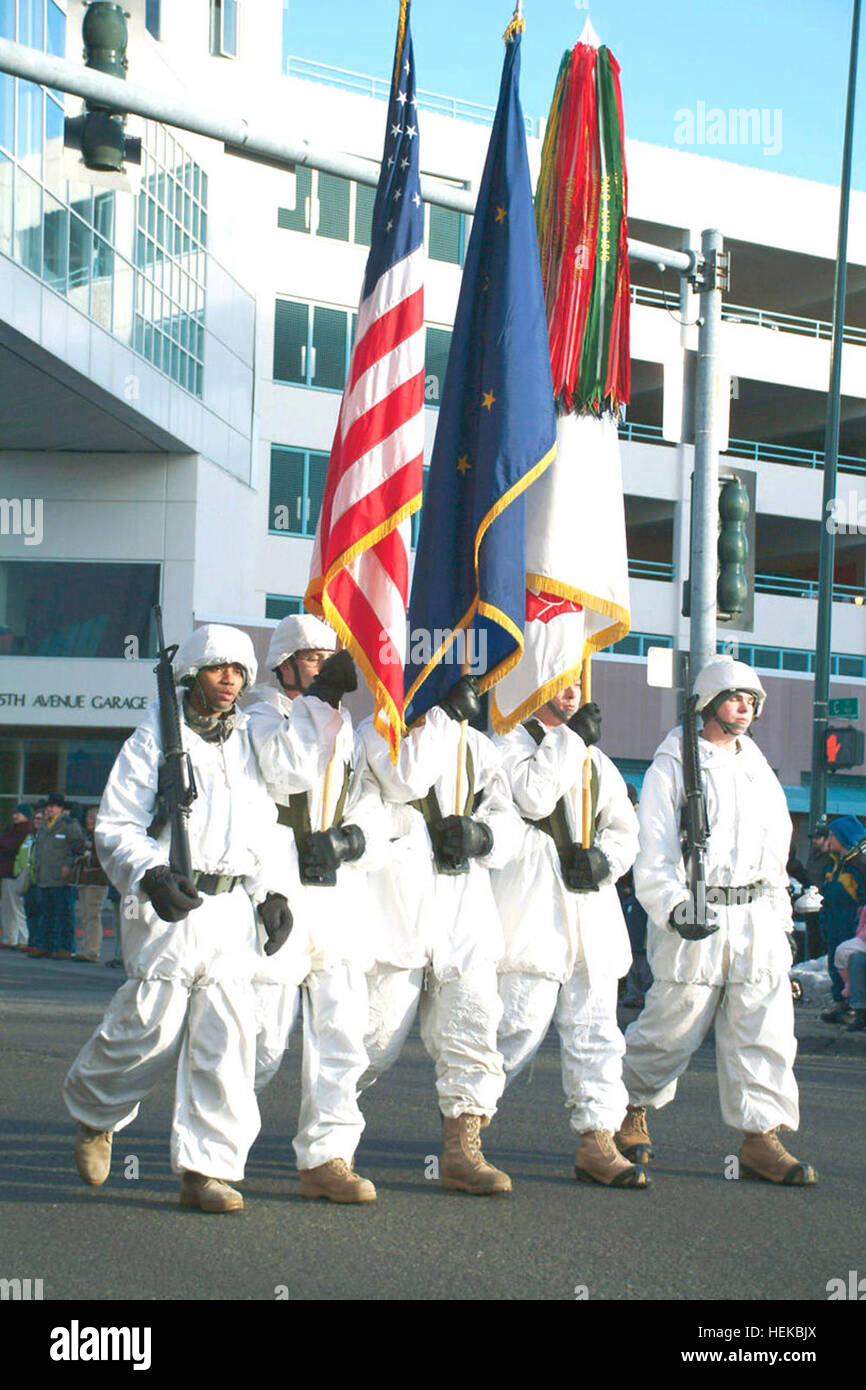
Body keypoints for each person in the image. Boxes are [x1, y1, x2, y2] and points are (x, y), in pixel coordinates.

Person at [63, 624, 291, 1213]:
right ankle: (96, 1115)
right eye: (218, 669)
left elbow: (263, 829)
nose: (229, 681)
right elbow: (115, 826)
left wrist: (271, 895)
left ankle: (206, 1170)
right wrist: (153, 874)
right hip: (172, 904)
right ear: (191, 674)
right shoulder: (152, 740)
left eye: (238, 671)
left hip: (230, 911)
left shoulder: (248, 743)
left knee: (226, 1042)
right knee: (149, 1029)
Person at [615, 656, 817, 1186]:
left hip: (756, 921)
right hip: (696, 917)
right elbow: (654, 851)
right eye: (735, 697)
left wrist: (780, 921)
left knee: (764, 1031)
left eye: (752, 700)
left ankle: (761, 1135)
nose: (746, 707)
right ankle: (627, 1107)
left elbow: (776, 850)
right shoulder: (672, 767)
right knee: (670, 1029)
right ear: (707, 704)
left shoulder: (757, 767)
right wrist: (674, 906)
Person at [358, 674, 524, 1197]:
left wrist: (485, 836)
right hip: (396, 908)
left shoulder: (479, 747)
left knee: (474, 1030)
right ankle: (328, 1144)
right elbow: (404, 780)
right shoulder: (376, 731)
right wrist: (442, 720)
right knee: (370, 1042)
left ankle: (463, 1150)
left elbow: (508, 818)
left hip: (465, 911)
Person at [246, 613, 384, 1204]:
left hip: (337, 893)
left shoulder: (342, 724)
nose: (324, 667)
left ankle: (328, 1155)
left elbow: (371, 801)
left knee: (342, 1034)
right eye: (311, 659)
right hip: (277, 886)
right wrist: (322, 701)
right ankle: (214, 1150)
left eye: (330, 659)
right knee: (260, 1039)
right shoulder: (256, 716)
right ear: (283, 662)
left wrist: (354, 840)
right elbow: (286, 770)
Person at [491, 689, 647, 1188]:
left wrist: (606, 860)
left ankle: (597, 1139)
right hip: (532, 909)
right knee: (513, 1029)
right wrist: (571, 740)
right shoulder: (507, 744)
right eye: (559, 681)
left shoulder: (597, 761)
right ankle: (465, 1123)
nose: (572, 692)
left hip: (591, 911)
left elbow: (625, 829)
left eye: (576, 682)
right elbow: (533, 795)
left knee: (597, 1034)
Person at [818, 816, 866, 1025]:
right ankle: (840, 1001)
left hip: (852, 920)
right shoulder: (832, 864)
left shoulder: (859, 865)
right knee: (833, 960)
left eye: (833, 835)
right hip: (833, 918)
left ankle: (853, 1003)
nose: (830, 839)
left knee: (848, 959)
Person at [31, 794, 85, 959]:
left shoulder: (69, 825)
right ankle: (46, 945)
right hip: (45, 875)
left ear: (61, 809)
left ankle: (65, 947)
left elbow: (78, 845)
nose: (50, 809)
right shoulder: (43, 825)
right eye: (49, 806)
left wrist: (68, 864)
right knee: (46, 913)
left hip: (61, 877)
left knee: (64, 914)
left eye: (54, 806)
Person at [72, 805, 109, 963]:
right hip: (85, 879)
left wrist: (83, 858)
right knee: (86, 915)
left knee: (93, 915)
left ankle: (93, 950)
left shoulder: (101, 836)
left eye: (93, 818)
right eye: (88, 817)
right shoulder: (88, 835)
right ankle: (86, 947)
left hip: (96, 880)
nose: (89, 821)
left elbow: (98, 859)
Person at [0, 804, 32, 948]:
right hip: (7, 871)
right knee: (7, 906)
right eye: (15, 813)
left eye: (19, 813)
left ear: (26, 815)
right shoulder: (13, 828)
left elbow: (10, 845)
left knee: (16, 906)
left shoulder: (25, 830)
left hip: (15, 872)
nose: (15, 815)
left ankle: (23, 938)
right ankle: (10, 937)